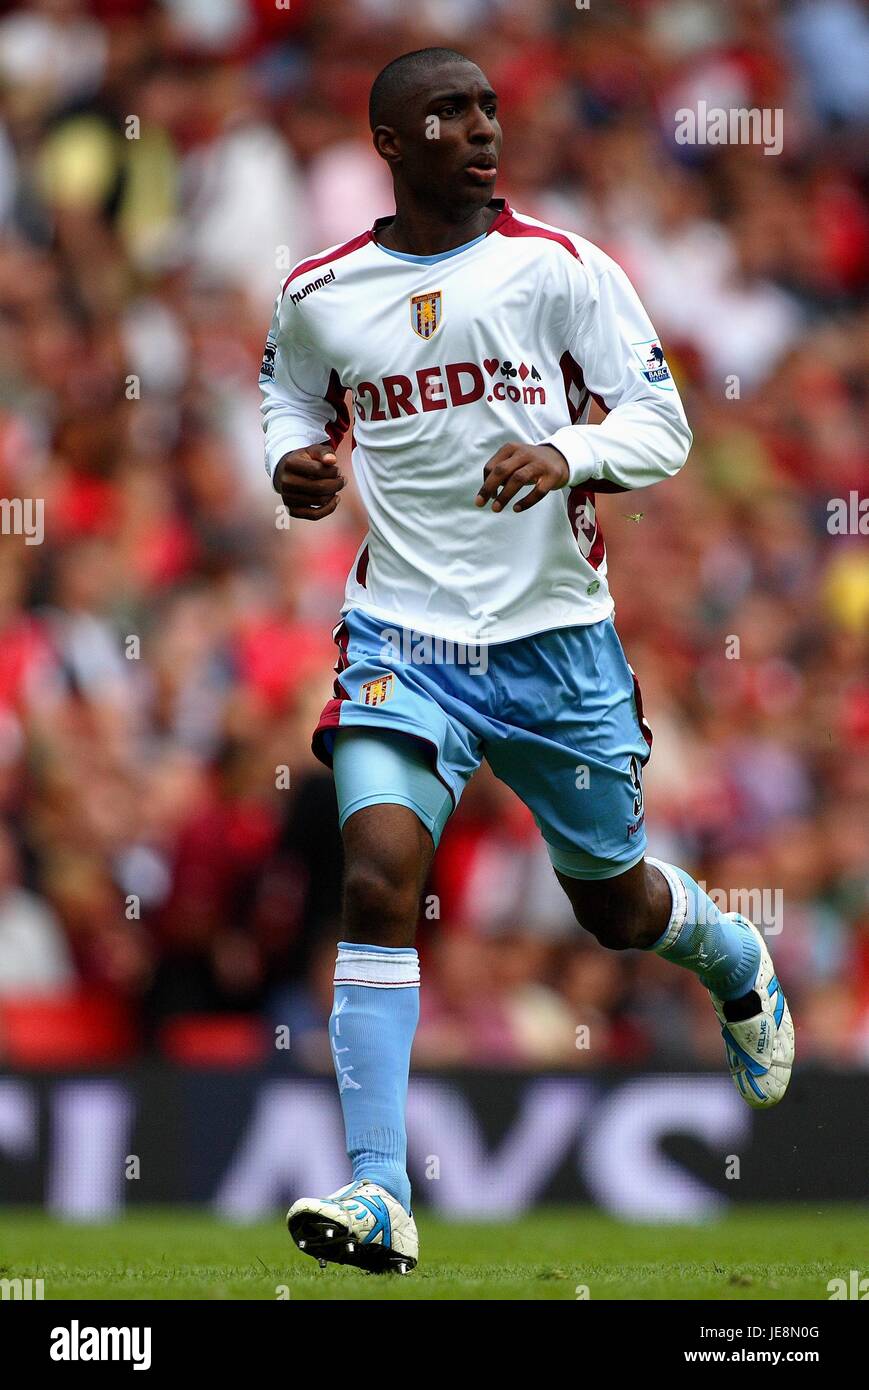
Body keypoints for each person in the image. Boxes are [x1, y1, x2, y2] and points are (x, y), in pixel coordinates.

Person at [259, 48, 794, 1274]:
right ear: (392, 143)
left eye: (489, 108)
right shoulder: (320, 290)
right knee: (379, 874)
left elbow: (660, 422)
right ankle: (380, 1191)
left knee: (611, 905)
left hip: (555, 644)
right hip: (404, 633)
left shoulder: (560, 269)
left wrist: (568, 451)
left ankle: (731, 958)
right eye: (448, 113)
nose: (482, 129)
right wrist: (294, 465)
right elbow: (290, 395)